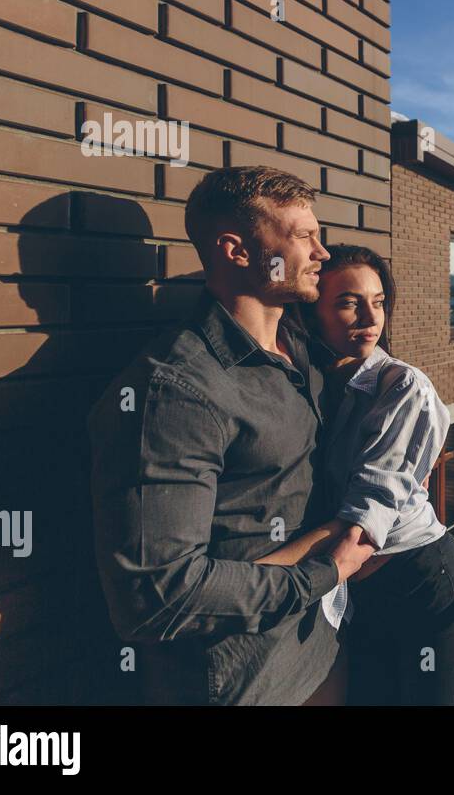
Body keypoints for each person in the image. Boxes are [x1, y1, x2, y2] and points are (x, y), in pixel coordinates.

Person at [87, 167, 373, 705]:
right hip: (243, 682)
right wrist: (325, 570)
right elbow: (156, 596)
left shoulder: (303, 348)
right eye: (303, 236)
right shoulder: (176, 390)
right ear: (236, 251)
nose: (323, 252)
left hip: (320, 650)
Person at [256, 245, 454, 705]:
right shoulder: (314, 386)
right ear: (312, 311)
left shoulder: (402, 386)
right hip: (360, 588)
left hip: (423, 577)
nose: (369, 316)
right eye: (348, 302)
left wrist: (236, 586)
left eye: (377, 302)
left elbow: (366, 519)